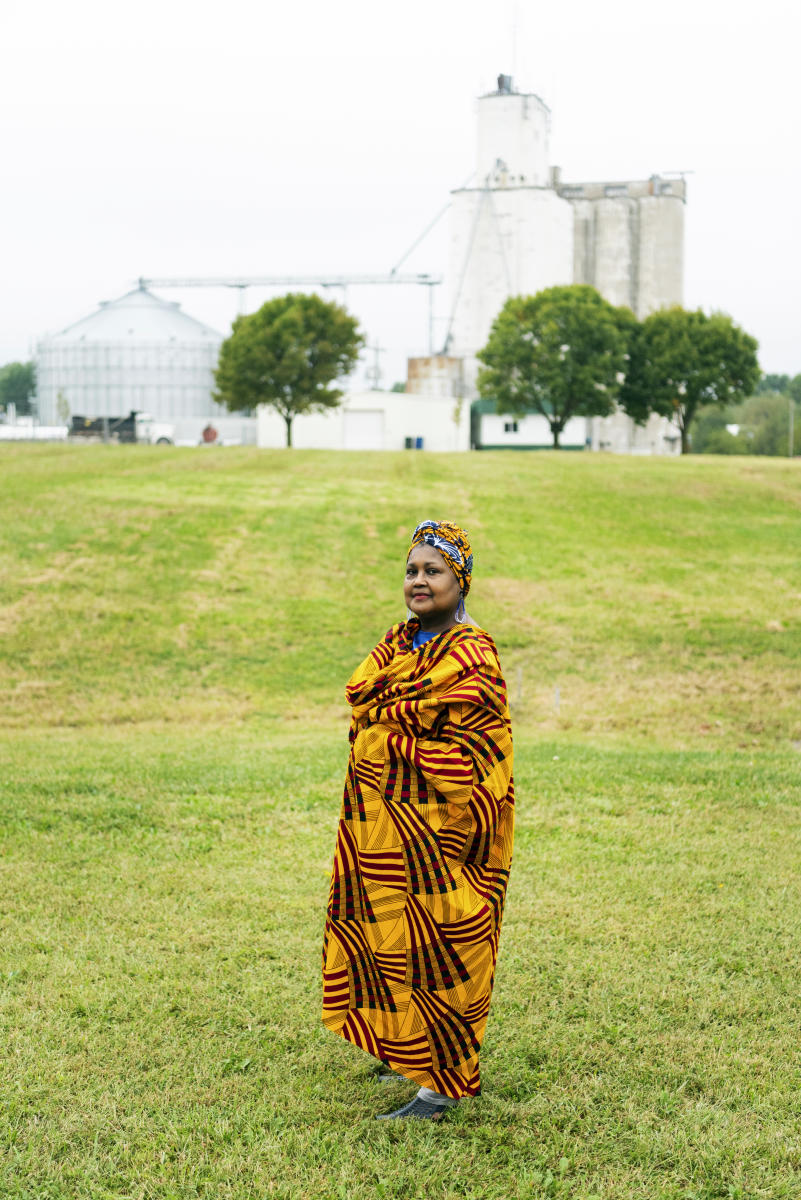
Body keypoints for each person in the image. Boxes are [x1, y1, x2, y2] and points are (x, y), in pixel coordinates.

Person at [322, 519, 515, 1120]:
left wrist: (396, 745)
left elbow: (480, 755)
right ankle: (407, 1044)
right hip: (386, 829)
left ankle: (444, 1084)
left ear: (461, 580)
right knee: (388, 933)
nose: (419, 581)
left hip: (447, 832)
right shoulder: (400, 642)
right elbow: (365, 699)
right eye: (411, 570)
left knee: (446, 945)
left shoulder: (472, 655)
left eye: (433, 570)